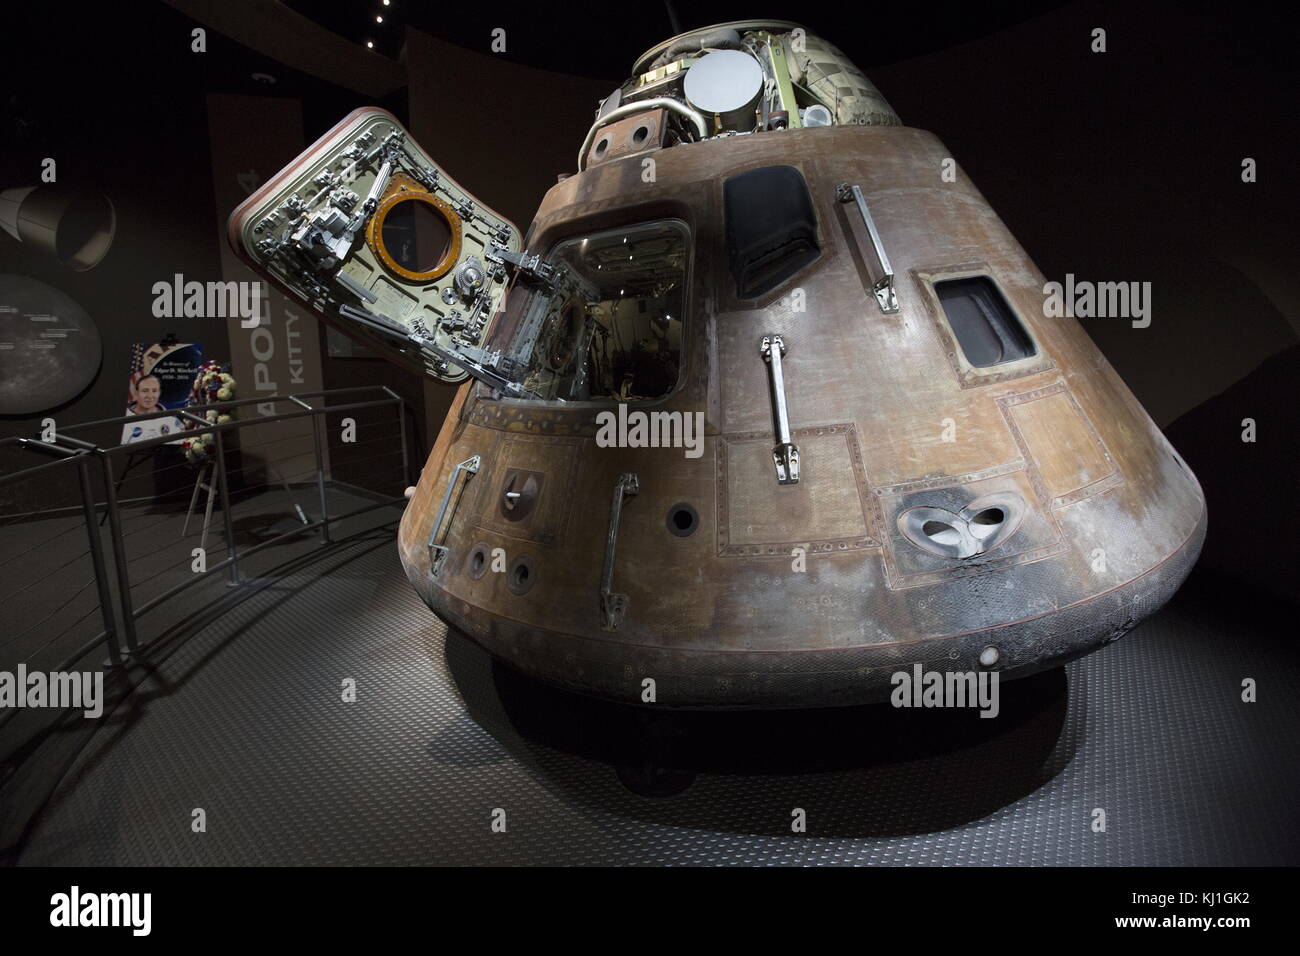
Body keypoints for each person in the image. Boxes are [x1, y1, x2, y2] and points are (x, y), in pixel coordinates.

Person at [121, 373, 186, 445]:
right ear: (136, 393)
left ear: (159, 393)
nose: (150, 396)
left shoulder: (172, 422)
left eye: (154, 391)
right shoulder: (122, 420)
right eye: (145, 391)